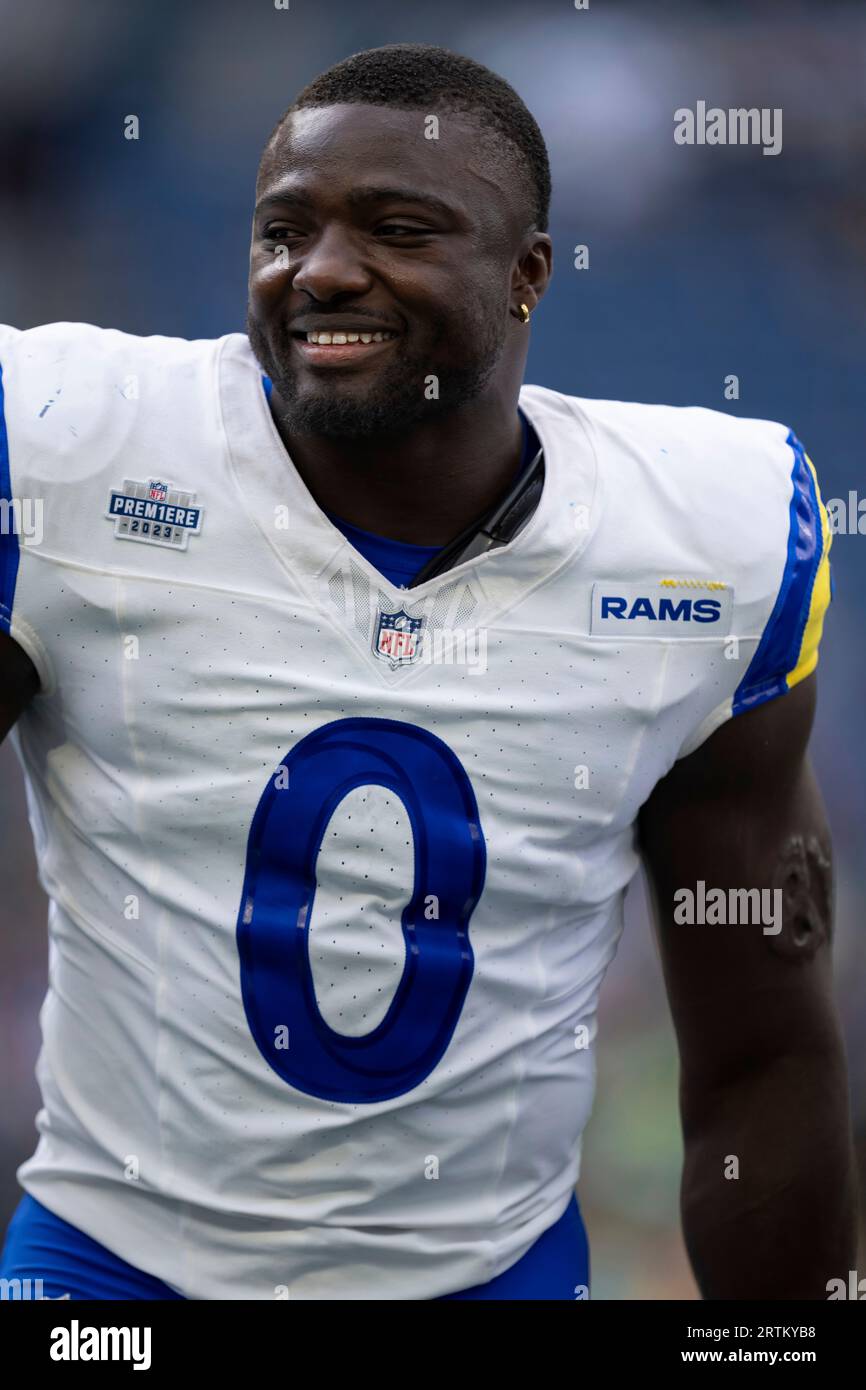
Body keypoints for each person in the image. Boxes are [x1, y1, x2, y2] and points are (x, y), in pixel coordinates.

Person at [0, 42, 855, 1300]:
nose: (324, 267)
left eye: (396, 227)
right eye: (283, 227)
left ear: (525, 277)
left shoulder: (703, 540)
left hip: (485, 1275)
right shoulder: (76, 447)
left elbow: (764, 1052)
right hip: (113, 1284)